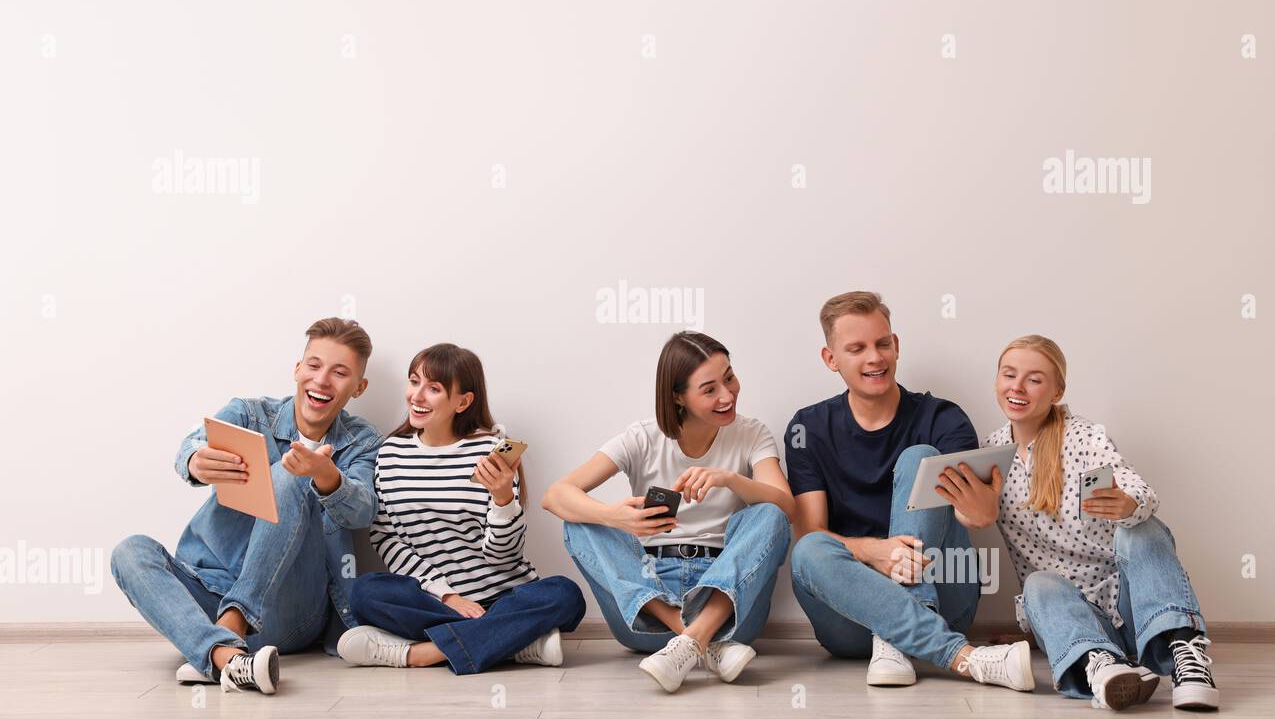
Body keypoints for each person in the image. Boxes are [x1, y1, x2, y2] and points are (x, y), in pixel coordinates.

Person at [110, 317, 384, 695]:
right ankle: (226, 659)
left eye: (340, 373)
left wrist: (326, 477)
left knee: (289, 474)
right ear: (298, 368)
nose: (322, 381)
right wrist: (193, 460)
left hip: (289, 610)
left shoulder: (362, 441)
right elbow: (193, 443)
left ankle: (232, 625)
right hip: (211, 588)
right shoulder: (250, 414)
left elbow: (364, 509)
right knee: (130, 551)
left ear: (358, 387)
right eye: (315, 366)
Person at [786, 291, 1034, 692]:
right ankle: (960, 656)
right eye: (857, 348)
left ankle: (895, 638)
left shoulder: (943, 418)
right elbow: (811, 531)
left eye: (883, 343)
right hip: (852, 617)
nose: (875, 357)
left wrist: (982, 507)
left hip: (944, 597)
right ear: (831, 359)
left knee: (920, 456)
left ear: (896, 345)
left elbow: (980, 516)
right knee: (807, 551)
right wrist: (875, 552)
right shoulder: (808, 428)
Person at [970, 334, 1217, 710]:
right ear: (997, 381)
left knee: (1142, 526)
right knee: (1038, 583)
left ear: (1057, 391)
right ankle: (1102, 666)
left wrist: (1127, 503)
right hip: (1073, 616)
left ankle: (1183, 651)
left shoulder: (1085, 438)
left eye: (1034, 379)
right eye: (1008, 375)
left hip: (1135, 610)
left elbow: (1141, 492)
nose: (1017, 387)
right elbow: (972, 514)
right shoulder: (991, 454)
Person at [544, 331, 794, 693]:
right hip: (649, 602)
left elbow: (787, 507)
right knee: (579, 521)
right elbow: (555, 495)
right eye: (709, 390)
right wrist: (614, 516)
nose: (727, 395)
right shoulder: (642, 437)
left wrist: (730, 479)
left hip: (727, 603)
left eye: (729, 377)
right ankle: (699, 640)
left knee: (769, 514)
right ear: (678, 396)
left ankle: (696, 637)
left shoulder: (751, 434)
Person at [337, 343, 586, 673]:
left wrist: (502, 499)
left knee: (565, 594)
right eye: (414, 382)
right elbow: (387, 539)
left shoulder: (489, 452)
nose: (417, 396)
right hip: (436, 601)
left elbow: (503, 557)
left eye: (434, 388)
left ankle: (422, 654)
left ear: (463, 401)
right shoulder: (391, 454)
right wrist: (448, 597)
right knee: (366, 593)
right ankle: (515, 643)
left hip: (504, 599)